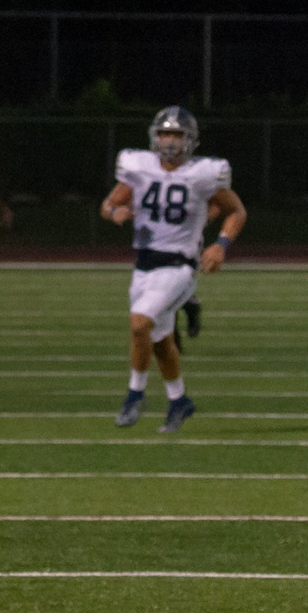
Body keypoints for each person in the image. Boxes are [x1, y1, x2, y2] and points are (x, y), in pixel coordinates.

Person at [100, 107, 247, 434]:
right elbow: (108, 204)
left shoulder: (204, 173)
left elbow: (236, 210)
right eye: (166, 133)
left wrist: (220, 244)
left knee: (139, 323)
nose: (170, 141)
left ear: (190, 140)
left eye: (177, 135)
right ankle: (179, 400)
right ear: (155, 135)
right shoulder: (139, 167)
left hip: (180, 266)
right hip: (143, 265)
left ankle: (134, 394)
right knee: (160, 340)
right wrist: (115, 214)